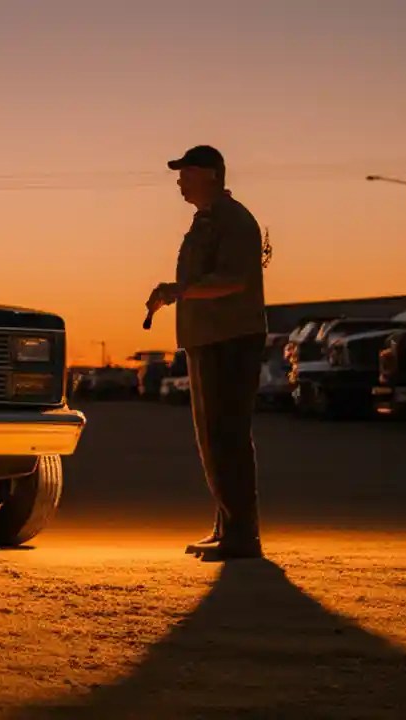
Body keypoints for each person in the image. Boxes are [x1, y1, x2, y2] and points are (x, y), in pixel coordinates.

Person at [146, 145, 268, 561]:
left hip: (231, 338)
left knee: (227, 434)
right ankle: (227, 527)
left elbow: (234, 280)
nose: (180, 181)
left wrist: (179, 291)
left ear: (212, 175)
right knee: (212, 438)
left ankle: (242, 536)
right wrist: (172, 292)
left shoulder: (233, 220)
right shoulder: (206, 221)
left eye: (187, 173)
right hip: (206, 339)